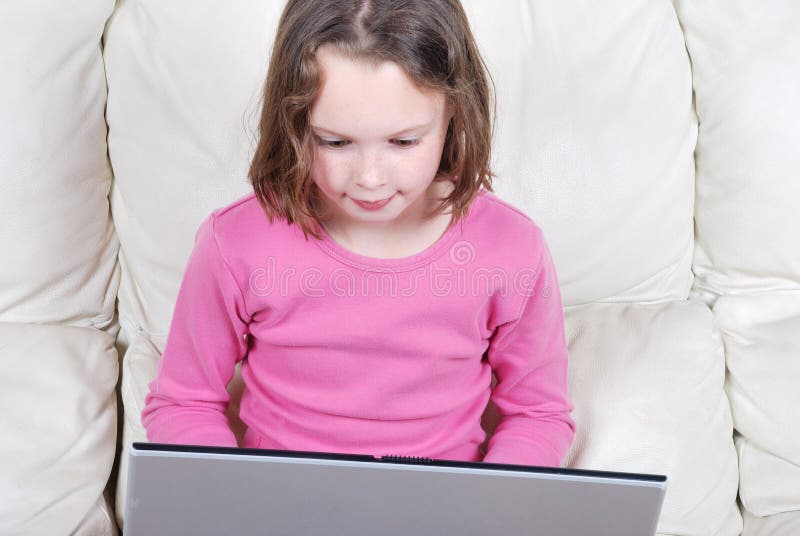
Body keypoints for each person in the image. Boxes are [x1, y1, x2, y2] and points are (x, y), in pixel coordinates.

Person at [142, 0, 575, 467]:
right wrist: (230, 504)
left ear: (454, 113)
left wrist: (496, 501)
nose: (370, 178)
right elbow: (183, 403)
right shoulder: (235, 243)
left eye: (404, 142)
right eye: (335, 142)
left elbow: (538, 413)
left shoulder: (511, 248)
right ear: (295, 123)